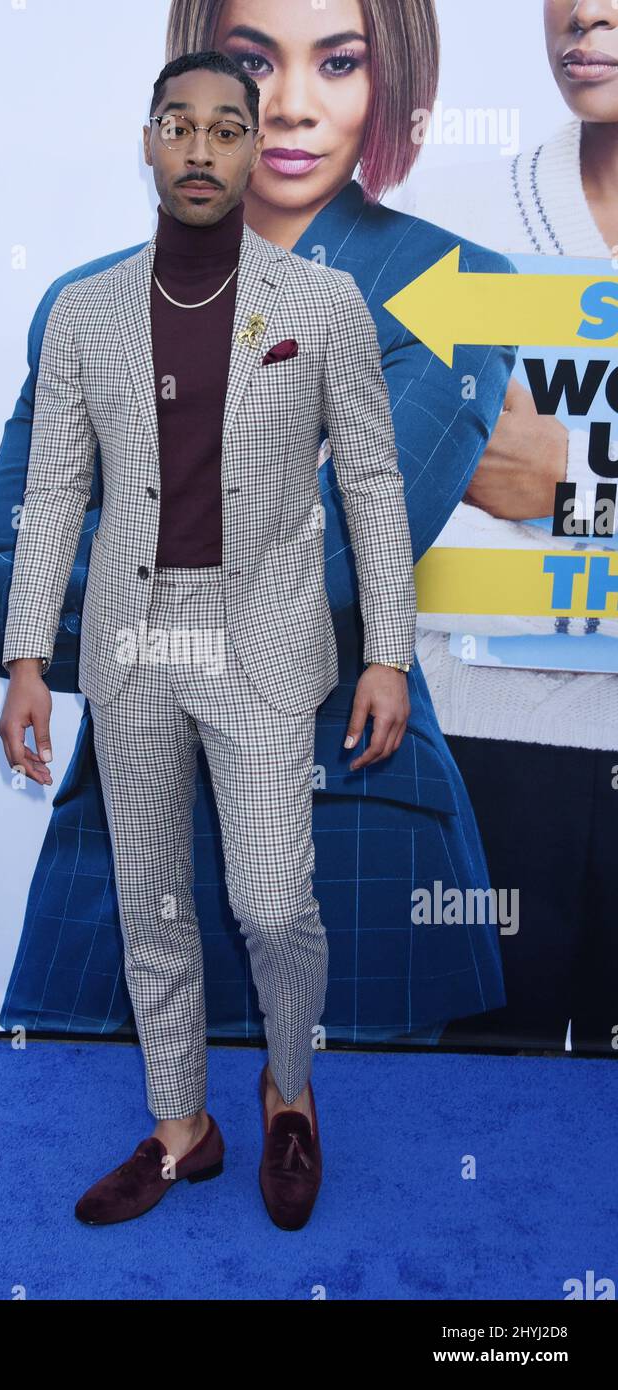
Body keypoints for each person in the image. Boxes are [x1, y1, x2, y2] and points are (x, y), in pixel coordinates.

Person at [0, 0, 517, 1057]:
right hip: (109, 851)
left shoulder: (455, 288)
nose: (289, 105)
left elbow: (336, 567)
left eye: (337, 63)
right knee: (39, 1145)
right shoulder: (86, 302)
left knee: (353, 1155)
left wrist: (118, 539)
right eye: (254, 61)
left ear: (390, 78)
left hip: (350, 830)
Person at [0, 50, 416, 1229]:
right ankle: (181, 1126)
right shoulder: (83, 312)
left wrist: (388, 650)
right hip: (130, 643)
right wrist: (27, 659)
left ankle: (288, 1091)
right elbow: (53, 493)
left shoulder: (321, 303)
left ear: (252, 148)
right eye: (176, 125)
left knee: (274, 903)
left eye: (224, 129)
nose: (198, 149)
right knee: (154, 905)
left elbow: (373, 481)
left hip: (262, 636)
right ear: (147, 142)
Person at [387, 0, 618, 1053]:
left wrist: (569, 483)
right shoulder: (450, 217)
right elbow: (381, 486)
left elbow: (520, 483)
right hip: (485, 737)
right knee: (473, 1093)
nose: (585, 12)